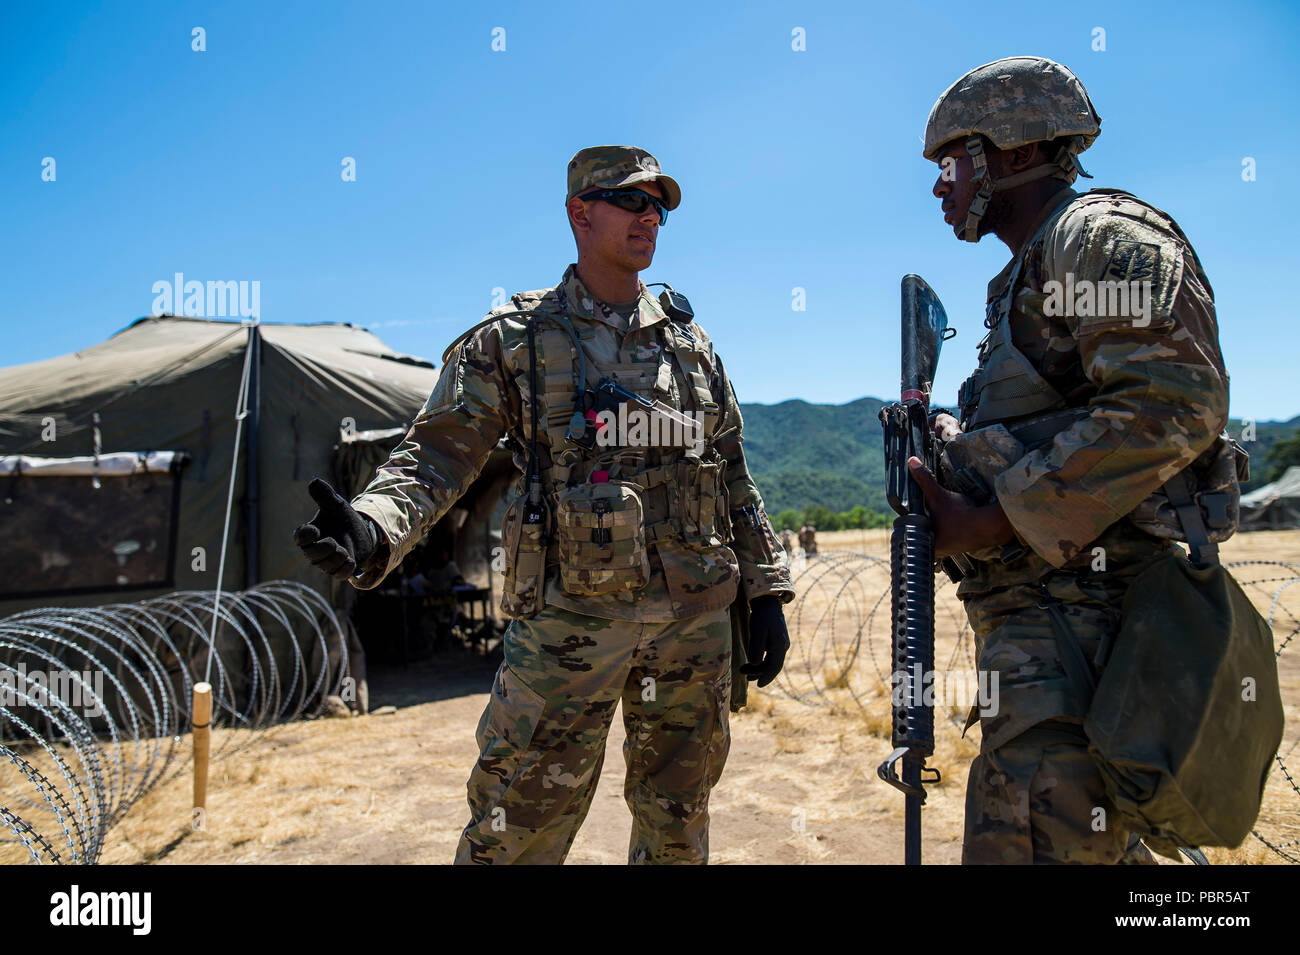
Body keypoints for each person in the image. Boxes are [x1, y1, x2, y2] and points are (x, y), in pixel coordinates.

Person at [292, 145, 793, 864]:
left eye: (659, 205)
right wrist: (375, 527)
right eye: (631, 200)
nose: (649, 216)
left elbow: (732, 471)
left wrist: (766, 589)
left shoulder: (693, 345)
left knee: (679, 824)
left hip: (693, 628)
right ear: (579, 213)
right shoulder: (518, 341)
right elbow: (437, 453)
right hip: (569, 630)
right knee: (516, 826)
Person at [909, 57, 1235, 864]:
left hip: (1088, 637)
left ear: (1014, 153)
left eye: (952, 161)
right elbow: (1068, 419)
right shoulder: (1030, 270)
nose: (941, 185)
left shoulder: (1096, 238)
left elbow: (1174, 401)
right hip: (1049, 640)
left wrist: (988, 520)